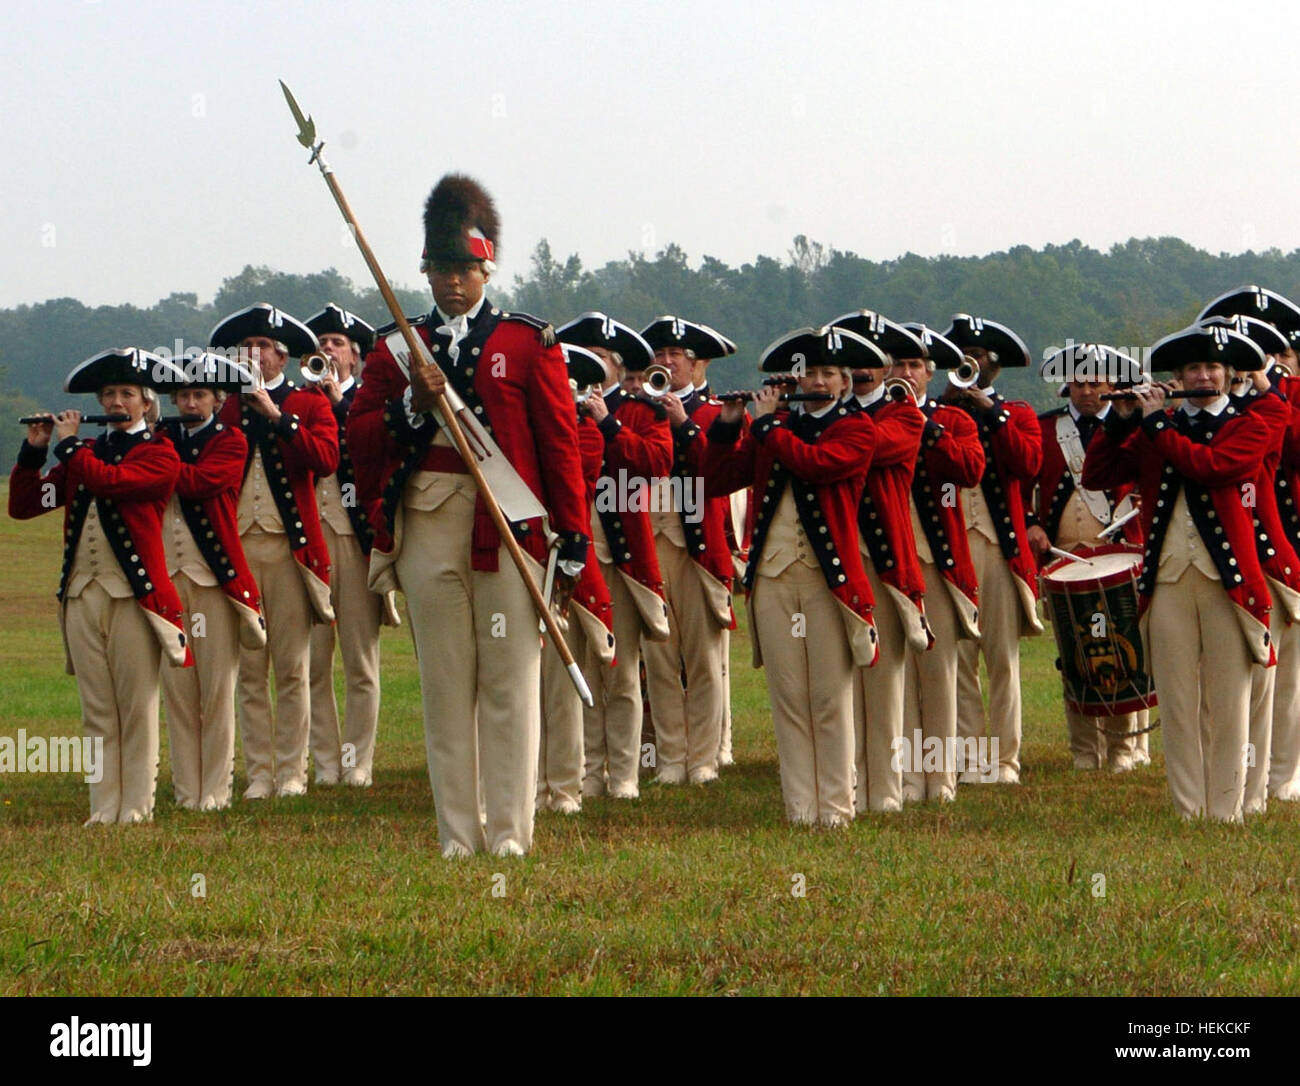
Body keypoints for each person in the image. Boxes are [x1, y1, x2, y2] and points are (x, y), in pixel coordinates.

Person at [347, 173, 589, 858]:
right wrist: (409, 407)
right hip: (427, 524)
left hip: (508, 525)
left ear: (488, 268)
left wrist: (572, 538)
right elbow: (359, 439)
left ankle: (511, 834)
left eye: (465, 268)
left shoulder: (527, 342)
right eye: (441, 267)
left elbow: (559, 445)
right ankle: (459, 834)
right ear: (424, 268)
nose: (452, 281)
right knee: (446, 688)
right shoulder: (398, 347)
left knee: (511, 686)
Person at [1083, 323, 1281, 821]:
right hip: (1168, 578)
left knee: (1229, 699)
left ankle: (1227, 807)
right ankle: (1188, 806)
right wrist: (1120, 421)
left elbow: (1211, 467)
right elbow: (1097, 476)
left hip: (1226, 583)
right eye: (1194, 367)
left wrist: (1153, 426)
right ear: (1179, 375)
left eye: (1213, 367)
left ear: (1228, 374)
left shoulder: (1247, 424)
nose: (1204, 374)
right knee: (1176, 697)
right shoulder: (1157, 425)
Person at [9, 348, 190, 824]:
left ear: (147, 404)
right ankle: (103, 805)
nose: (115, 401)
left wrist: (69, 447)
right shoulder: (83, 455)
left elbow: (113, 483)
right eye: (108, 393)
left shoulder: (160, 453)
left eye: (126, 393)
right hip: (81, 593)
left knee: (135, 706)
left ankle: (136, 806)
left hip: (134, 597)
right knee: (97, 709)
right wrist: (36, 448)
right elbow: (26, 504)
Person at [705, 326, 877, 824]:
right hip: (774, 578)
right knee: (789, 697)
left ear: (845, 382)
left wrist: (765, 426)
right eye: (810, 373)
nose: (818, 381)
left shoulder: (856, 428)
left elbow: (817, 465)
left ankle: (837, 807)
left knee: (827, 696)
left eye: (828, 373)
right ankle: (801, 808)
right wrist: (727, 424)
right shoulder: (776, 427)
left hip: (828, 581)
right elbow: (718, 479)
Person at [211, 304, 339, 799]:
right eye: (245, 348)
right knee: (248, 666)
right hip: (238, 547)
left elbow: (325, 460)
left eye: (261, 347)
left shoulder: (309, 404)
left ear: (282, 357)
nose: (252, 354)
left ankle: (292, 773)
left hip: (291, 551)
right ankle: (258, 773)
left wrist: (278, 417)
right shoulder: (225, 408)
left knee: (290, 666)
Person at [555, 312, 672, 800]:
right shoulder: (557, 407)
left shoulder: (643, 411)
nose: (591, 367)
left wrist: (607, 424)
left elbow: (657, 463)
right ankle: (586, 770)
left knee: (621, 671)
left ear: (617, 366)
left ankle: (623, 775)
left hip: (622, 559)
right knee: (578, 665)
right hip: (573, 555)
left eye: (600, 359)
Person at [1198, 288, 1300, 803]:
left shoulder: (1279, 404)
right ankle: (1230, 781)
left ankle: (1278, 777)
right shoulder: (1211, 408)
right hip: (1224, 553)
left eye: (1279, 353)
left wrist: (1270, 386)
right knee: (1233, 681)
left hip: (1278, 551)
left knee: (1281, 682)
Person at [1026, 346, 1146, 773]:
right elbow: (1022, 483)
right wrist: (1030, 523)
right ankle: (1084, 752)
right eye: (1080, 382)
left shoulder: (1130, 428)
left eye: (1097, 382)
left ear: (1112, 387)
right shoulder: (1046, 429)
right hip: (1062, 558)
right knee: (1073, 657)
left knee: (1123, 651)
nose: (1088, 390)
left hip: (1116, 556)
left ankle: (1122, 751)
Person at [156, 353, 266, 811]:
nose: (189, 402)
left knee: (217, 689)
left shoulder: (232, 440)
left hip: (214, 580)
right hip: (166, 576)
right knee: (179, 692)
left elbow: (202, 483)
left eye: (199, 393)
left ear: (218, 400)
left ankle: (216, 792)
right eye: (182, 394)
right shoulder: (161, 439)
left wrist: (152, 465)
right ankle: (187, 790)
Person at [829, 311, 928, 812]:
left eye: (873, 362)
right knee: (840, 680)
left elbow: (861, 450)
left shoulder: (905, 416)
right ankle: (845, 786)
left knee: (886, 683)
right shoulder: (831, 417)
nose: (863, 371)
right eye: (853, 362)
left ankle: (884, 791)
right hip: (837, 563)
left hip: (883, 563)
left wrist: (824, 428)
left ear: (887, 367)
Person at [941, 314, 1043, 784]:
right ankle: (968, 756)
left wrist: (990, 412)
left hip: (999, 551)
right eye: (961, 357)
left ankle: (1004, 759)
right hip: (952, 546)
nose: (968, 364)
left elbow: (1028, 463)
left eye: (977, 358)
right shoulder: (938, 415)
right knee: (959, 659)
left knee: (1001, 658)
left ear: (992, 367)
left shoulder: (1016, 413)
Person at [638, 315, 739, 785]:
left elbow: (720, 471)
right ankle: (670, 756)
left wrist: (682, 426)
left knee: (702, 659)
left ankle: (703, 758)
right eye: (658, 356)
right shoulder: (638, 407)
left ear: (696, 366)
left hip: (697, 545)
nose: (666, 363)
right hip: (650, 539)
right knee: (659, 655)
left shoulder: (713, 414)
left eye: (675, 356)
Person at [893, 324, 986, 801]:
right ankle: (907, 779)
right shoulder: (873, 419)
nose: (905, 373)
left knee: (940, 672)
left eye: (914, 366)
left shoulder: (953, 420)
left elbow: (969, 470)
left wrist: (925, 427)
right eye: (898, 365)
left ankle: (942, 777)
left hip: (936, 562)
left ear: (930, 373)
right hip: (889, 559)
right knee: (898, 674)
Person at [303, 303, 390, 788]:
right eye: (319, 347)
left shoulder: (366, 404)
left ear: (355, 358)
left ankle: (358, 763)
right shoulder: (300, 402)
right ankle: (325, 763)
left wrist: (338, 404)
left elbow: (371, 453)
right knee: (313, 662)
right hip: (313, 539)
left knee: (360, 660)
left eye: (335, 345)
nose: (326, 352)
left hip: (356, 542)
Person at [536, 343, 617, 813]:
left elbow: (566, 473)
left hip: (562, 566)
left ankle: (563, 787)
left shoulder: (586, 435)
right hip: (524, 559)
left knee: (561, 686)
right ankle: (526, 784)